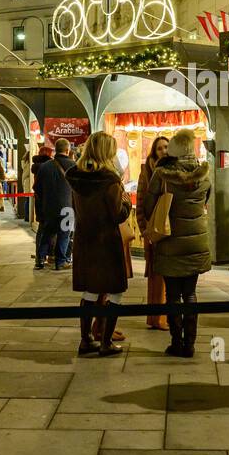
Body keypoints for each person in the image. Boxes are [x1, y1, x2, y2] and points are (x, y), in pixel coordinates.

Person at [139, 128, 213, 358]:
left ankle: (176, 342)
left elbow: (149, 207)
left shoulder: (162, 175)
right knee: (190, 293)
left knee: (172, 295)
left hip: (170, 241)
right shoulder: (204, 174)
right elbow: (205, 201)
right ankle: (190, 344)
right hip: (196, 240)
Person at [65, 131, 133, 356]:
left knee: (90, 292)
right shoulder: (110, 180)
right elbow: (117, 215)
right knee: (115, 293)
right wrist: (127, 204)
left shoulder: (75, 176)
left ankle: (86, 340)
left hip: (85, 240)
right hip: (106, 242)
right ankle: (106, 342)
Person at [137, 135, 170, 329]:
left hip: (168, 228)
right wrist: (144, 229)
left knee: (166, 274)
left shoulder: (171, 169)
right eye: (160, 148)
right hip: (153, 228)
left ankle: (160, 317)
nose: (164, 151)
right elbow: (141, 200)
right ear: (154, 151)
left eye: (167, 147)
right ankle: (156, 318)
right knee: (155, 275)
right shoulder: (147, 171)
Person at [34, 138, 76, 271]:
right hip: (67, 207)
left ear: (55, 150)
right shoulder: (73, 166)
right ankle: (60, 262)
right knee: (64, 235)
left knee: (47, 234)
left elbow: (37, 188)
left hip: (49, 208)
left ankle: (40, 260)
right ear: (67, 150)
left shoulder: (45, 166)